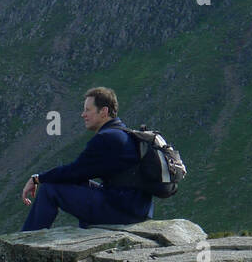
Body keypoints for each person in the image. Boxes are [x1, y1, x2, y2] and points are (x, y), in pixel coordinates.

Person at [20, 87, 154, 231]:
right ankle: (88, 230)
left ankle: (24, 241)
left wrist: (37, 178)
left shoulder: (107, 138)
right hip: (135, 208)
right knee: (79, 184)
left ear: (104, 111)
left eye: (87, 110)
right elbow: (80, 175)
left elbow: (74, 171)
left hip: (123, 212)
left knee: (49, 188)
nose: (83, 115)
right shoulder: (123, 134)